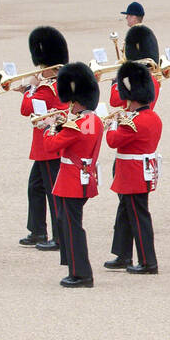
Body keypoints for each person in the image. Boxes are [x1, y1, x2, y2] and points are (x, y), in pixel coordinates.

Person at [41, 63, 104, 288]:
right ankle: (73, 266)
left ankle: (81, 273)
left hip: (71, 181)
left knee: (72, 226)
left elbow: (51, 146)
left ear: (77, 101)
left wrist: (49, 127)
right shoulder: (92, 121)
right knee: (67, 223)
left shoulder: (77, 124)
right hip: (82, 178)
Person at [103, 61, 163, 275]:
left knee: (138, 218)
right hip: (139, 172)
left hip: (132, 174)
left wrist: (112, 123)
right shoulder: (152, 117)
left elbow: (112, 140)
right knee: (125, 214)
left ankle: (148, 261)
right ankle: (122, 254)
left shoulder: (134, 122)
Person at [18, 26, 68, 250]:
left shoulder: (48, 88)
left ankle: (58, 236)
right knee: (35, 187)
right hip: (45, 147)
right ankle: (37, 230)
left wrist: (30, 88)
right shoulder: (55, 84)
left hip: (49, 146)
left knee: (52, 192)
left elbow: (27, 108)